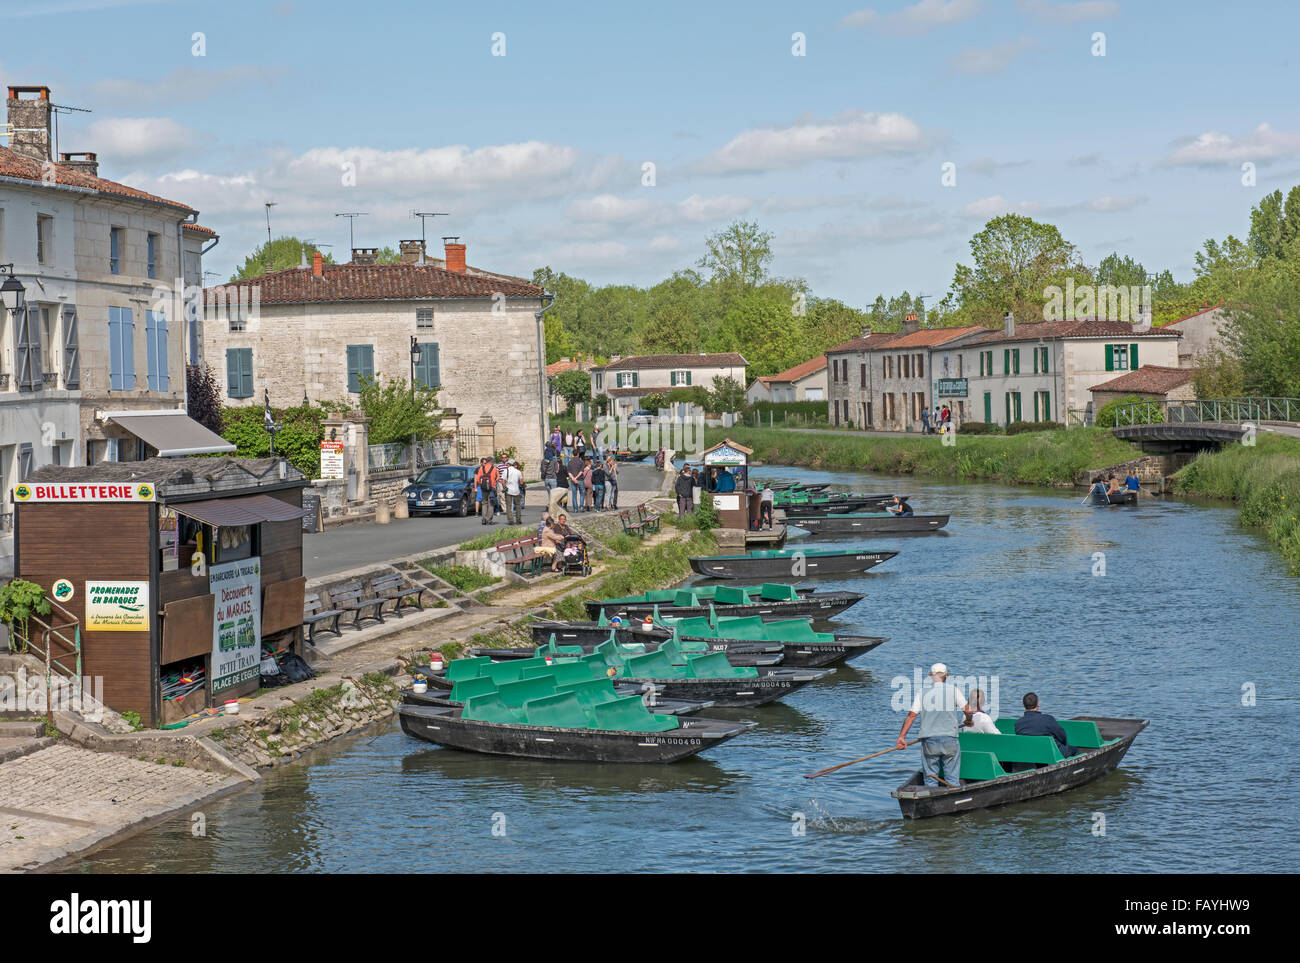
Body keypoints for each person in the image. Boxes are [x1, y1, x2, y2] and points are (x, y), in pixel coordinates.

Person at [896, 663, 973, 786]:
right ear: (946, 676)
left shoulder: (922, 692)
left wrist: (902, 737)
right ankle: (952, 796)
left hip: (929, 740)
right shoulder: (954, 690)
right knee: (952, 779)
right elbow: (968, 710)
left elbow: (912, 715)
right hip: (950, 739)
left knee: (930, 779)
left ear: (930, 675)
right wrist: (969, 720)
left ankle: (930, 798)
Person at [1014, 692, 1078, 759]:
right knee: (1074, 750)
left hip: (1031, 753)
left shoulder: (1018, 723)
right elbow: (1062, 736)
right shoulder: (1047, 719)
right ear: (1038, 704)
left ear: (1023, 705)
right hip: (1052, 753)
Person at [474, 457, 499, 525]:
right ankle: (489, 519)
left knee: (484, 503)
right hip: (492, 488)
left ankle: (484, 519)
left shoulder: (481, 468)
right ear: (491, 461)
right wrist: (494, 481)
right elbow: (498, 478)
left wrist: (482, 484)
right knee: (491, 504)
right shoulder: (494, 468)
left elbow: (478, 479)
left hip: (483, 488)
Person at [501, 458, 523, 525]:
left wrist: (505, 487)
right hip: (516, 490)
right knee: (517, 505)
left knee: (508, 506)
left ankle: (511, 520)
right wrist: (518, 485)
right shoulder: (518, 471)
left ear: (509, 464)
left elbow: (503, 481)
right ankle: (518, 519)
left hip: (508, 491)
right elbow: (521, 482)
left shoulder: (506, 471)